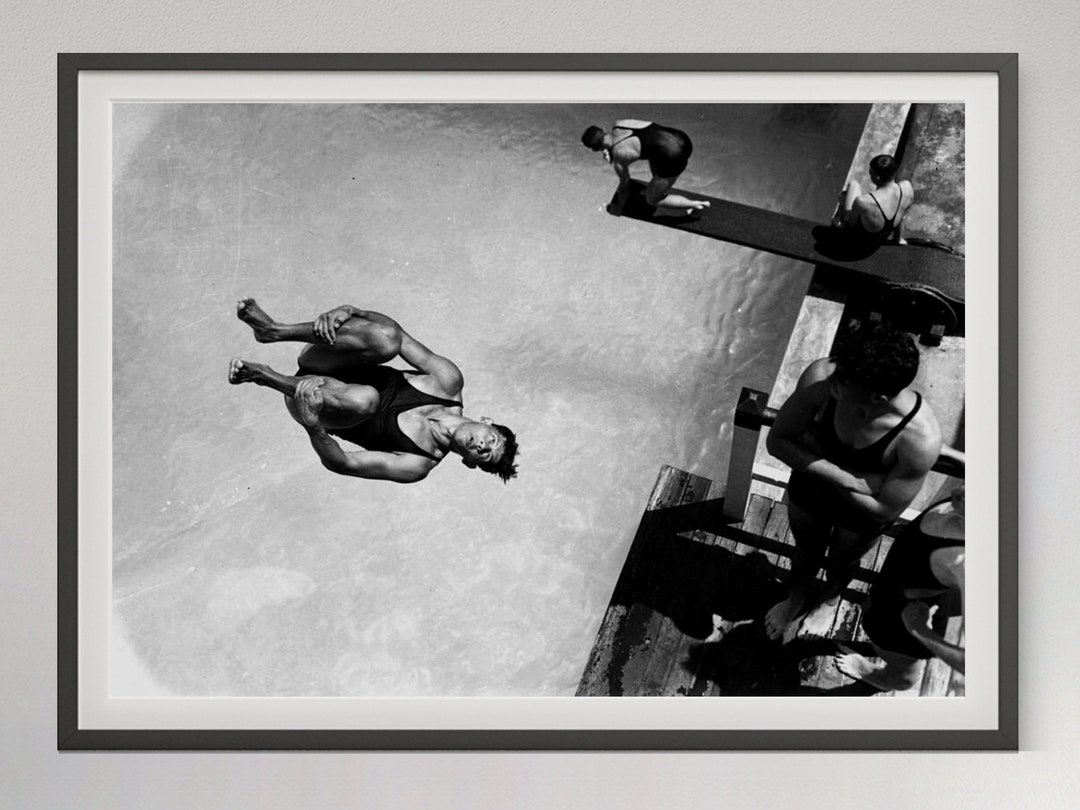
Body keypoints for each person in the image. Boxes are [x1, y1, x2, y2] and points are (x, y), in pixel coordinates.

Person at [763, 324, 942, 642]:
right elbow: (777, 442)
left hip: (856, 511)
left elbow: (882, 510)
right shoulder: (824, 376)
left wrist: (815, 454)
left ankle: (830, 599)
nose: (831, 377)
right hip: (816, 486)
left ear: (877, 397)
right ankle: (796, 598)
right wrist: (849, 478)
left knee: (843, 560)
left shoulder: (918, 439)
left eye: (842, 380)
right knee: (806, 550)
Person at [228, 298, 519, 484]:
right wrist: (352, 311)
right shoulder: (447, 381)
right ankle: (275, 331)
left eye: (485, 455)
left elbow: (344, 463)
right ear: (487, 421)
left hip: (312, 402)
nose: (483, 447)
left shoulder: (417, 463)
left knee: (364, 399)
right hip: (326, 360)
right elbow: (397, 333)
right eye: (491, 440)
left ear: (470, 463)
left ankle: (265, 377)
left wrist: (313, 425)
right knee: (388, 339)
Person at [834, 483, 965, 690]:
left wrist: (919, 629)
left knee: (904, 675)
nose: (962, 490)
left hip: (906, 617)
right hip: (905, 591)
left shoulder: (965, 561)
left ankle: (879, 678)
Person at [580, 119, 710, 215]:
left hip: (673, 157)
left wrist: (618, 208)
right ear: (602, 129)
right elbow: (639, 141)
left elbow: (625, 187)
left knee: (652, 200)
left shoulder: (619, 157)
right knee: (651, 151)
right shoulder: (620, 123)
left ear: (595, 149)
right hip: (681, 138)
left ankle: (695, 205)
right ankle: (660, 183)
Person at [833, 154, 914, 246]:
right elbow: (901, 215)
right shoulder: (907, 188)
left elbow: (850, 223)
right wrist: (898, 239)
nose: (870, 174)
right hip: (880, 237)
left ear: (877, 177)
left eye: (870, 172)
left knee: (853, 185)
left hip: (859, 242)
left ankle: (839, 214)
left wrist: (843, 204)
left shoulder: (863, 201)